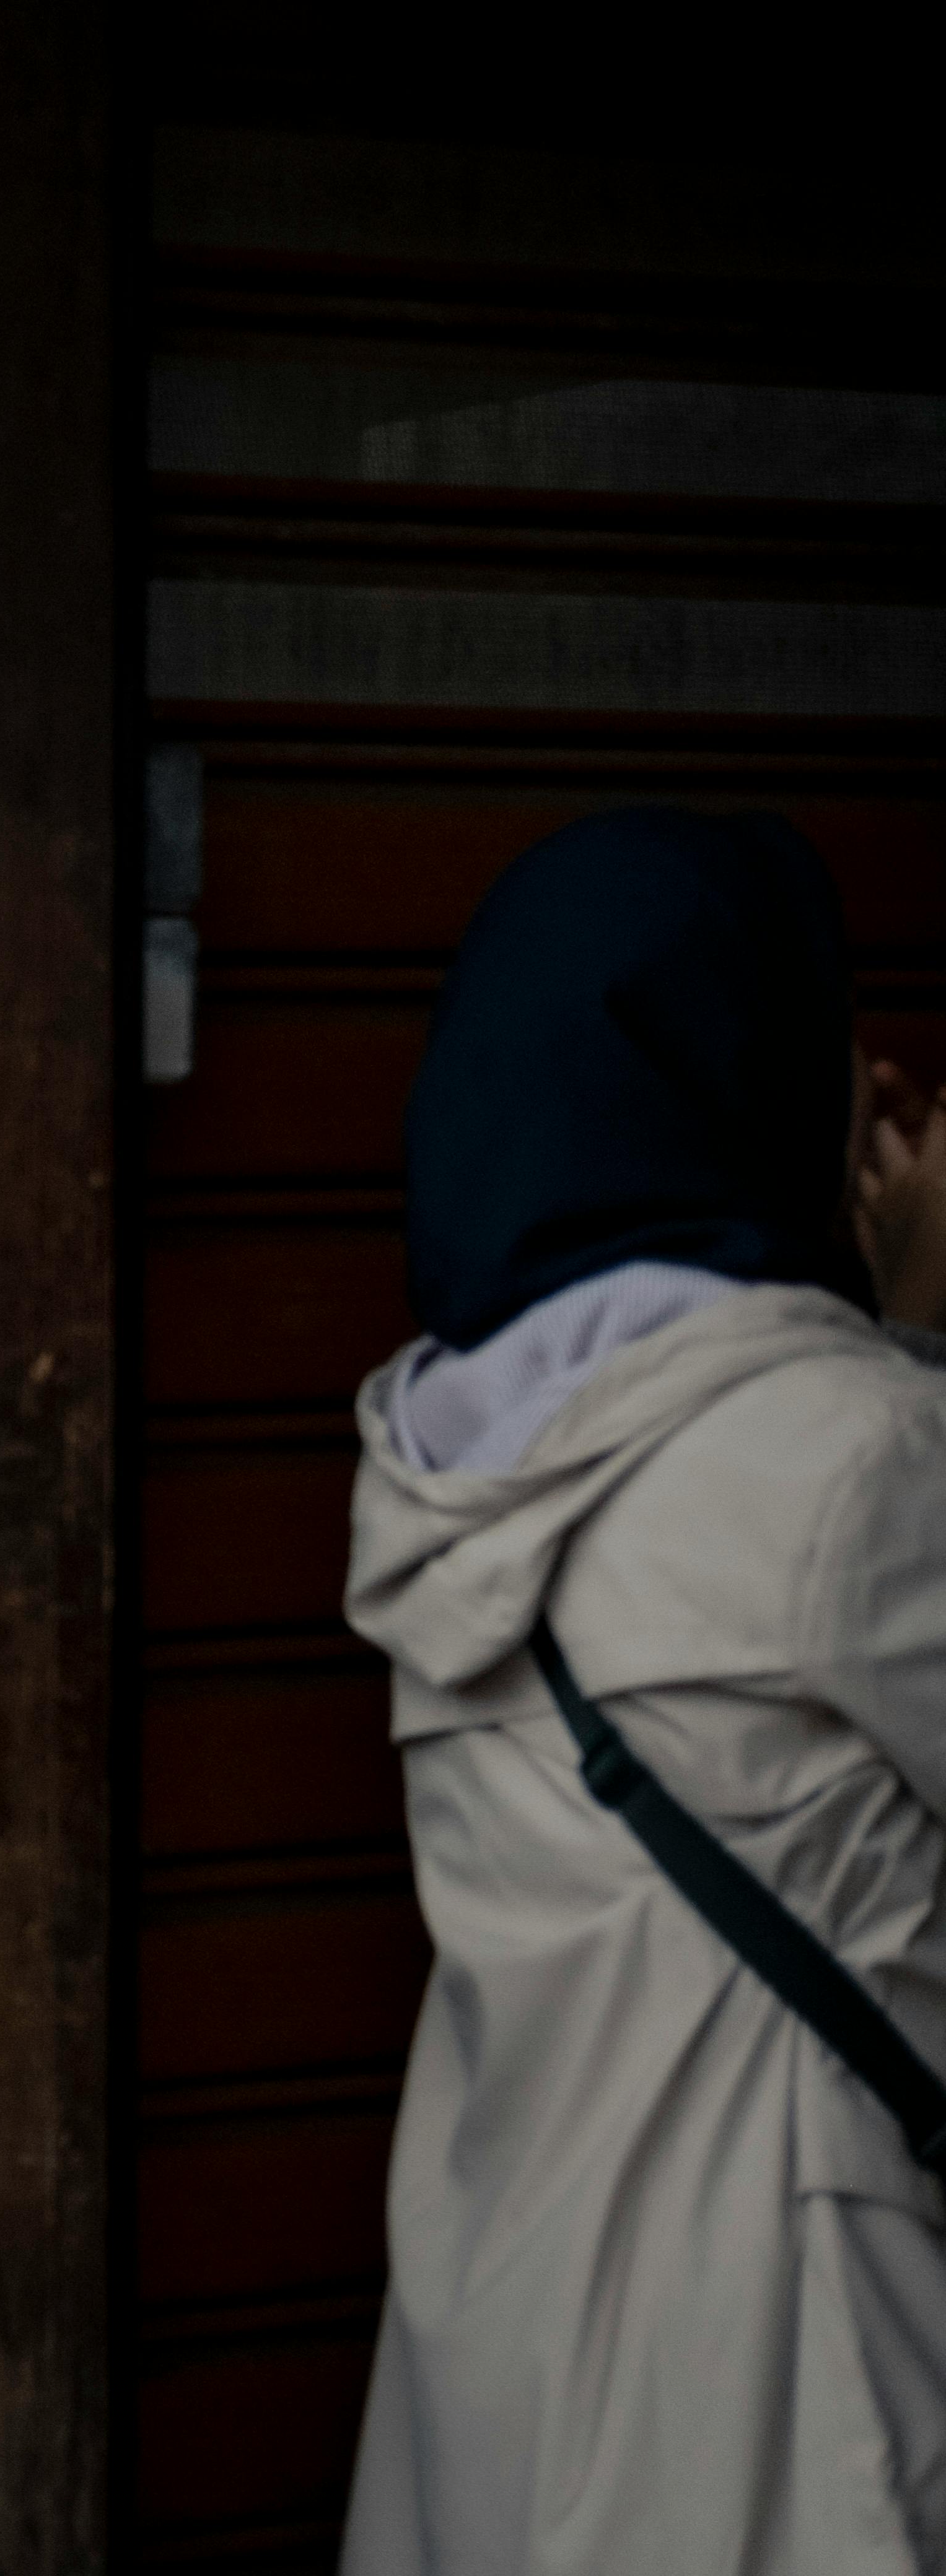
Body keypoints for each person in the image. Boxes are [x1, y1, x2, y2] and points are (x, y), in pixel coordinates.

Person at [338, 809, 946, 2575]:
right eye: (830, 1031)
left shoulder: (447, 1456)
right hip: (788, 2385)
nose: (879, 1077)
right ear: (727, 1070)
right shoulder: (850, 1458)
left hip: (511, 2357)